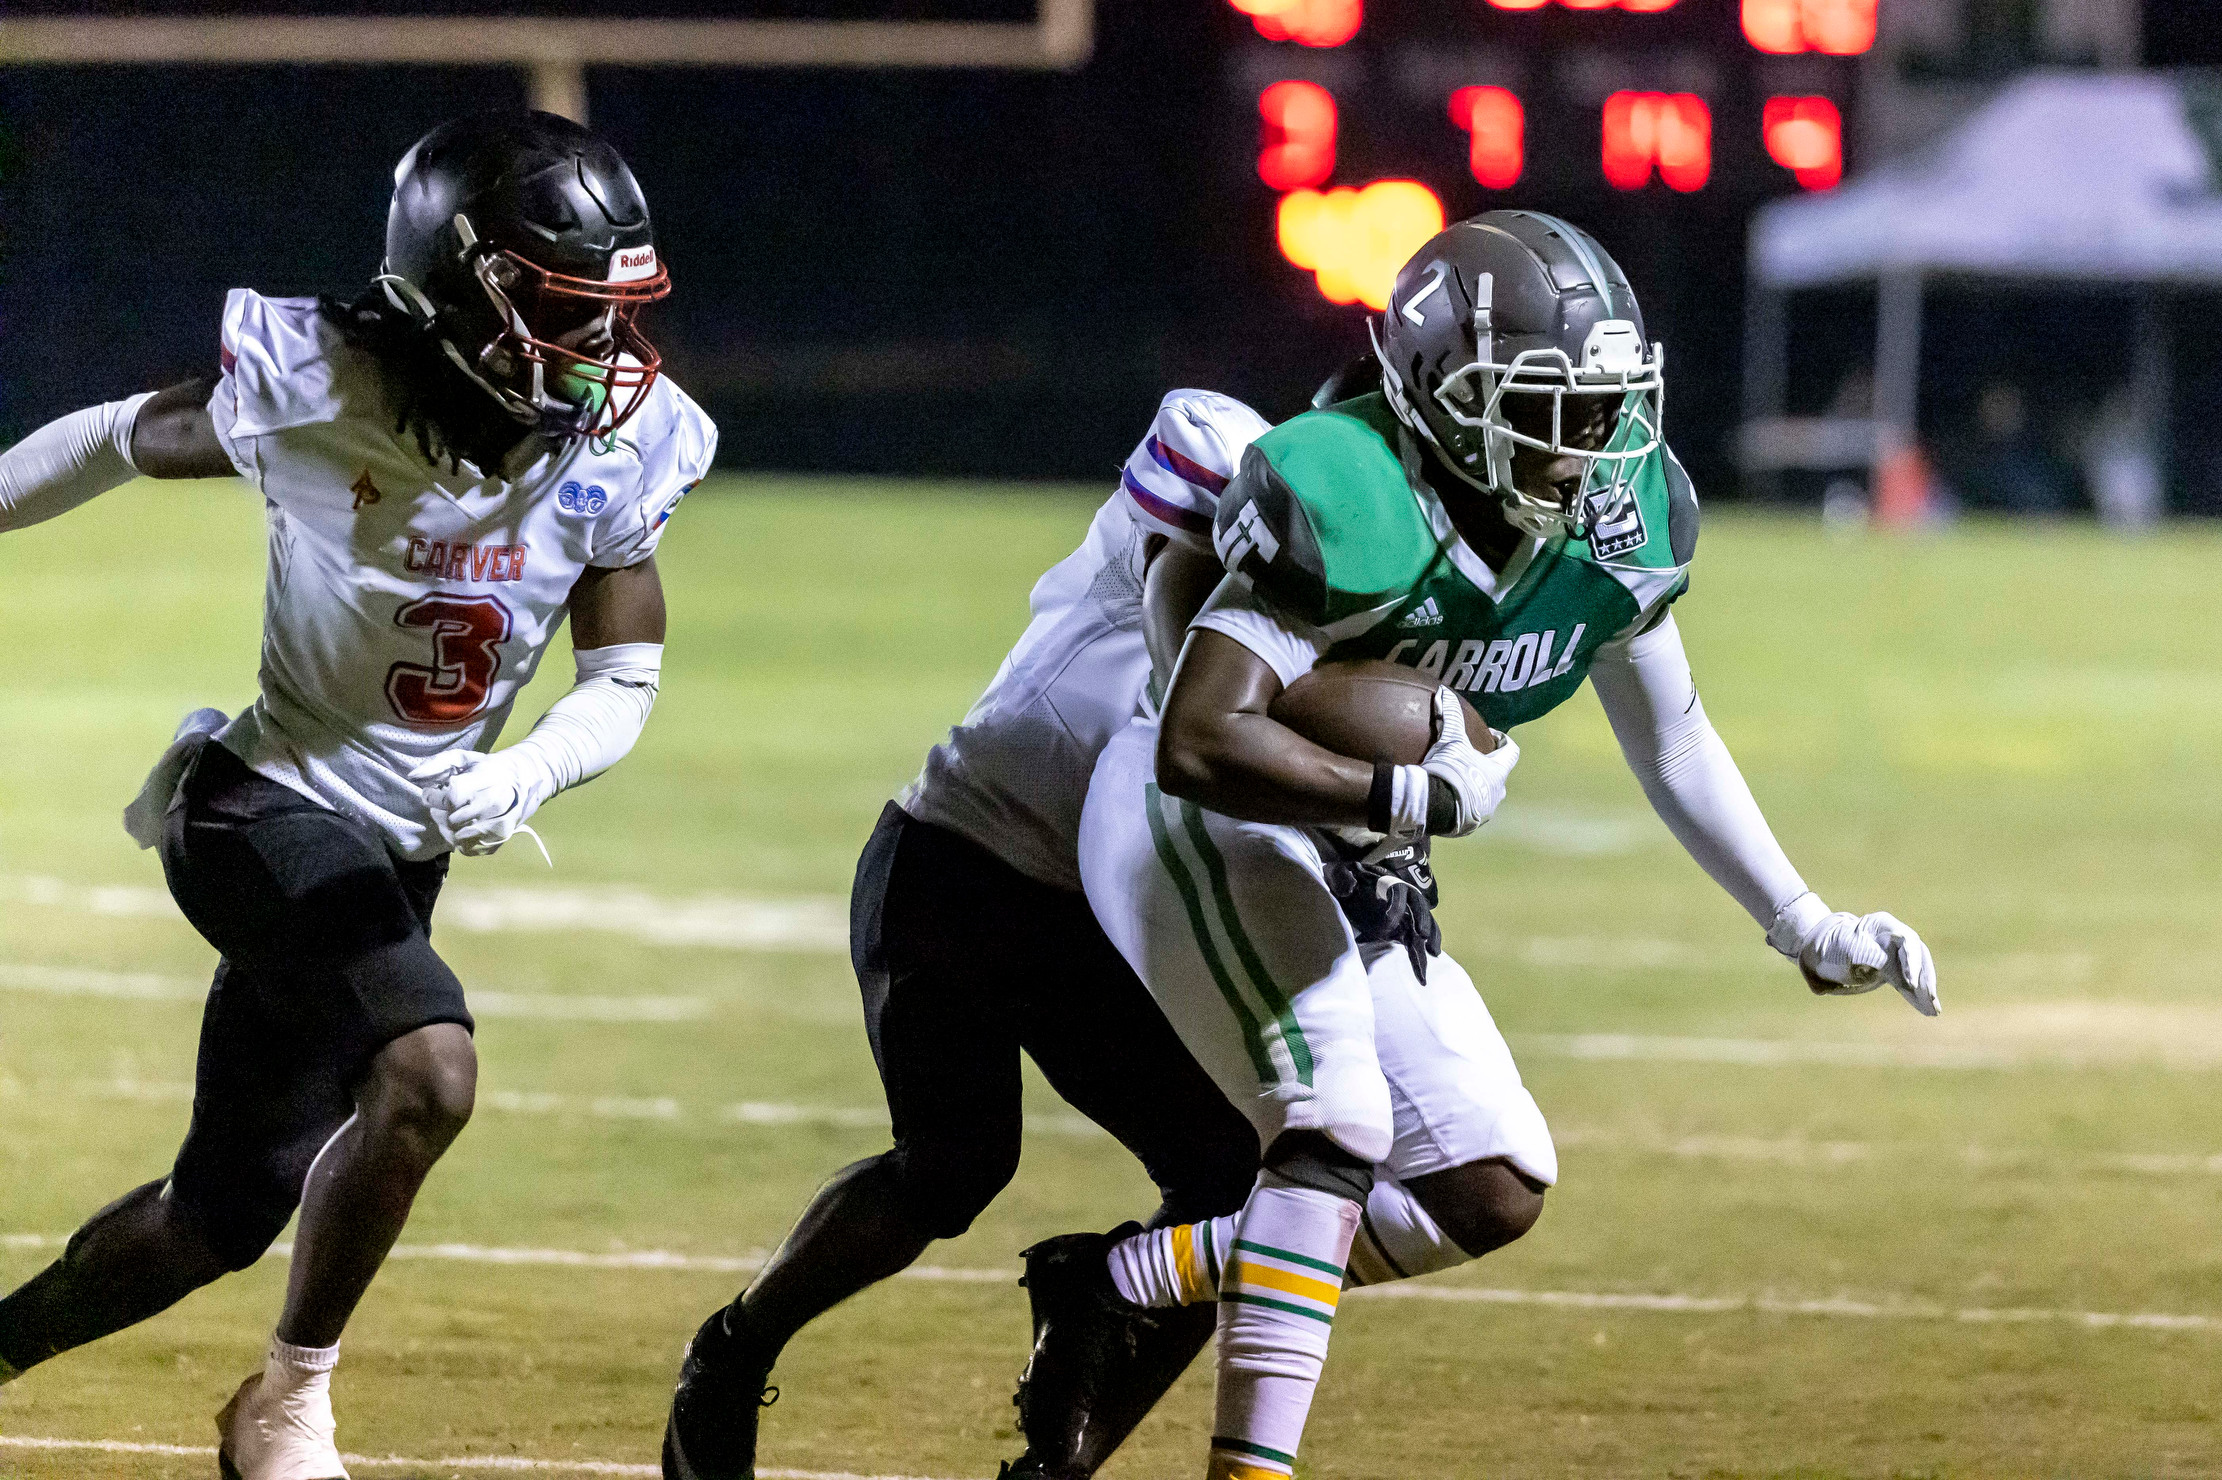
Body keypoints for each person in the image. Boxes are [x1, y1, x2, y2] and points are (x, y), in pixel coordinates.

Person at [1026, 210, 1940, 1480]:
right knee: (1334, 1120)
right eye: (1546, 405)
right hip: (1204, 812)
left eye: (1605, 405)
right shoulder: (1347, 487)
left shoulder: (1619, 512)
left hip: (1358, 846)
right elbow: (1193, 736)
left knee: (1489, 1181)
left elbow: (1672, 737)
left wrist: (1804, 920)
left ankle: (1122, 1279)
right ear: (1438, 394)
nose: (1588, 442)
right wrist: (1405, 802)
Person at [0, 112, 715, 1479]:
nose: (599, 354)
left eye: (611, 314)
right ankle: (293, 1402)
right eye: (564, 311)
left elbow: (622, 679)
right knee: (427, 1070)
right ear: (457, 296)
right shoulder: (321, 385)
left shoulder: (629, 446)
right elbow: (112, 436)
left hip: (389, 855)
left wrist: (526, 768)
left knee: (216, 1217)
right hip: (261, 804)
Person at [660, 392, 1270, 1480]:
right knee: (951, 1166)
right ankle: (730, 1349)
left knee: (1226, 1178)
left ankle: (1056, 1463)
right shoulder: (1187, 512)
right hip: (948, 864)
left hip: (1080, 914)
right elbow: (1193, 464)